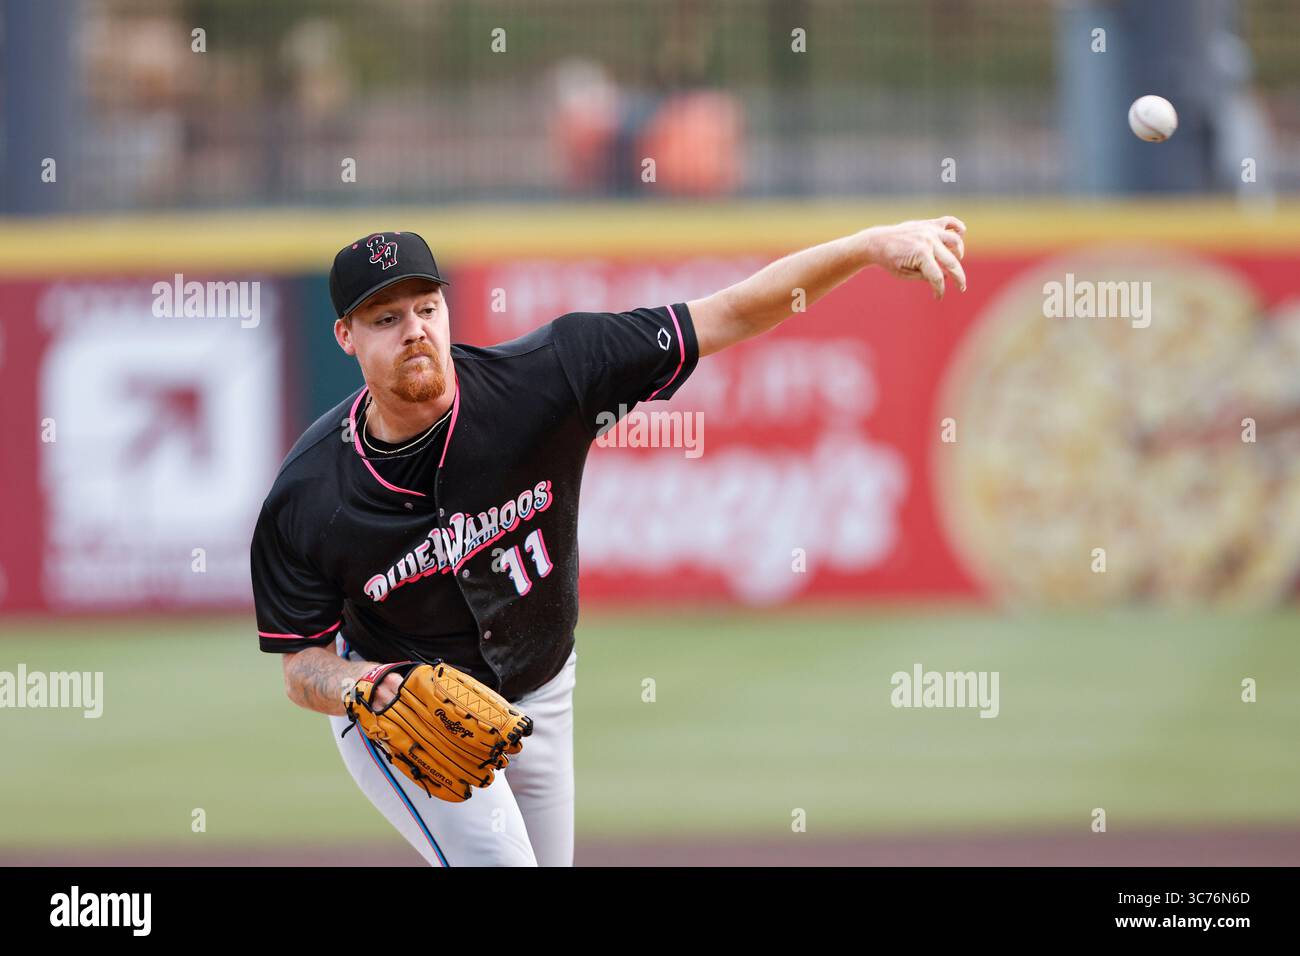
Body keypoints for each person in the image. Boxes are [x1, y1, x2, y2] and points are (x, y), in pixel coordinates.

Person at [250, 219, 967, 867]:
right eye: (386, 317)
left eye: (426, 307)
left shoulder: (551, 376)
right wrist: (363, 688)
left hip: (543, 689)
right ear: (345, 335)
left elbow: (729, 313)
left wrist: (866, 247)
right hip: (401, 710)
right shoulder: (308, 497)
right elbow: (300, 666)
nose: (414, 330)